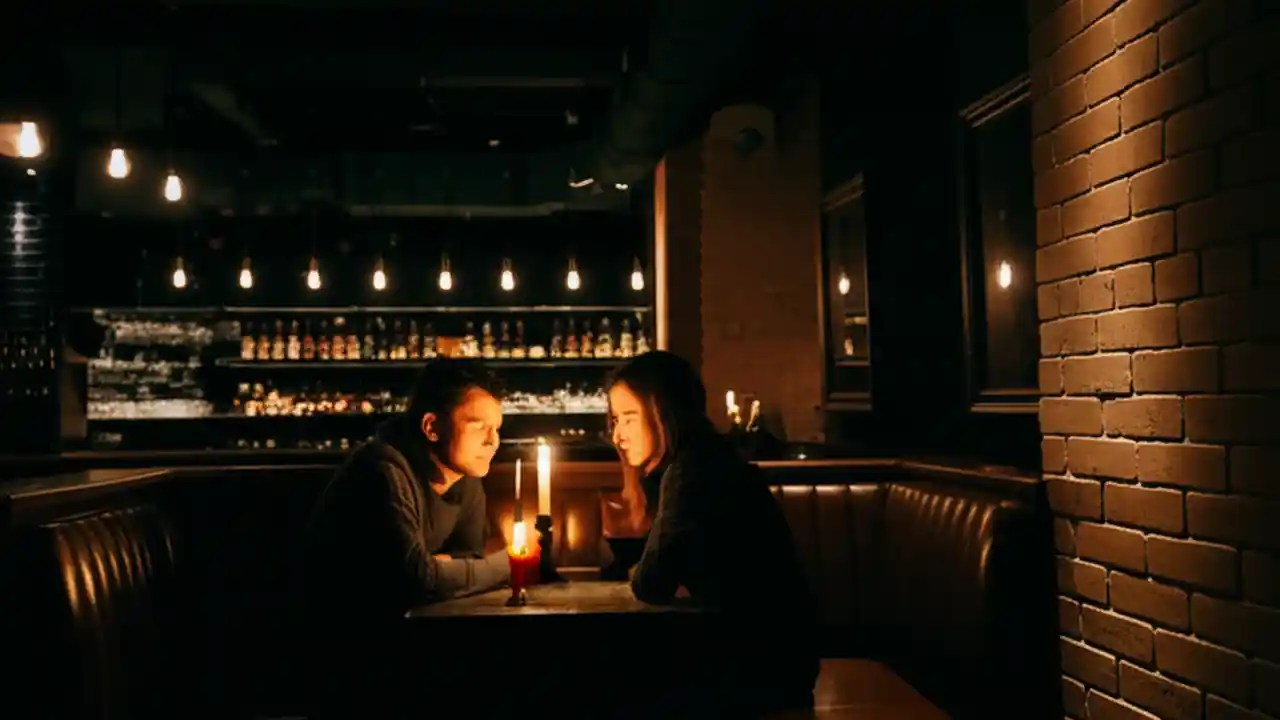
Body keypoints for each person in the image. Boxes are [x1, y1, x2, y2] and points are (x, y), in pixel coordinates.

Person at [606, 350, 820, 716]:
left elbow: (651, 582)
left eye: (629, 418)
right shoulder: (703, 460)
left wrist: (647, 573)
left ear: (666, 414)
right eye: (614, 420)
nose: (617, 435)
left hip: (765, 674)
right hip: (772, 662)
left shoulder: (691, 471)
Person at [302, 358, 510, 716]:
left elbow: (468, 561)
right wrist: (513, 563)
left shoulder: (467, 478)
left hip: (415, 648)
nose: (494, 442)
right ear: (432, 427)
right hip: (347, 661)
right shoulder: (382, 471)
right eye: (480, 427)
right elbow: (418, 579)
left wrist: (445, 571)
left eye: (497, 428)